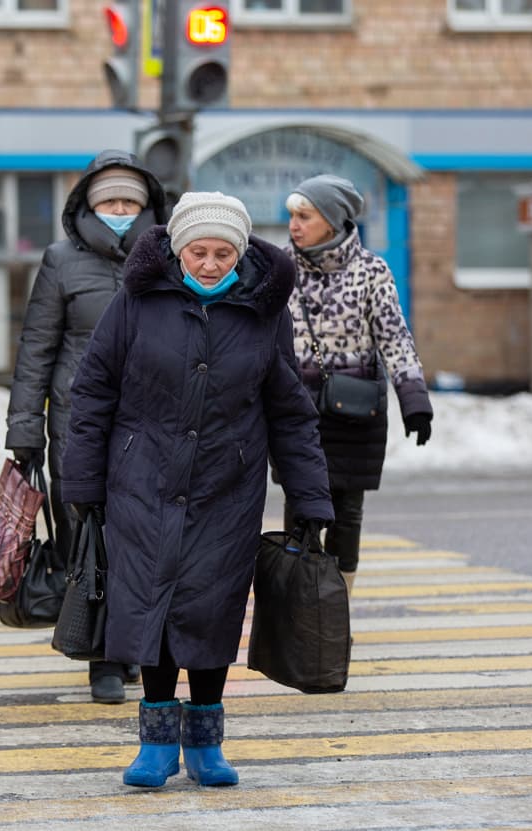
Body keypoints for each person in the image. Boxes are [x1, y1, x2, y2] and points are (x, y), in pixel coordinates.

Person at [62, 192, 334, 787]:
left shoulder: (264, 313)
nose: (209, 263)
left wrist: (310, 499)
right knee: (151, 608)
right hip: (141, 482)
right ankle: (156, 744)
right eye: (198, 251)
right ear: (178, 250)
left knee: (212, 610)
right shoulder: (135, 302)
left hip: (226, 487)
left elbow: (290, 412)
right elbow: (92, 394)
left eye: (222, 252)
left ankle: (206, 745)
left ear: (238, 253)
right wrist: (81, 482)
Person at [6, 150, 169, 704]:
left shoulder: (168, 256)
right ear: (90, 207)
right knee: (84, 537)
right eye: (110, 201)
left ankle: (130, 647)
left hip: (151, 423)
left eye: (129, 200)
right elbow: (37, 348)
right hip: (79, 426)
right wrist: (24, 428)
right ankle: (102, 657)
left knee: (141, 537)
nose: (120, 209)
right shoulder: (59, 261)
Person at [282, 173, 433, 601]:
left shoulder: (371, 271)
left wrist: (414, 400)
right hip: (298, 414)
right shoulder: (280, 268)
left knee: (347, 516)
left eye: (304, 216)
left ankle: (336, 607)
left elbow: (395, 338)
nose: (294, 224)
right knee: (301, 511)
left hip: (355, 413)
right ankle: (301, 606)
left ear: (331, 221)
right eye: (292, 215)